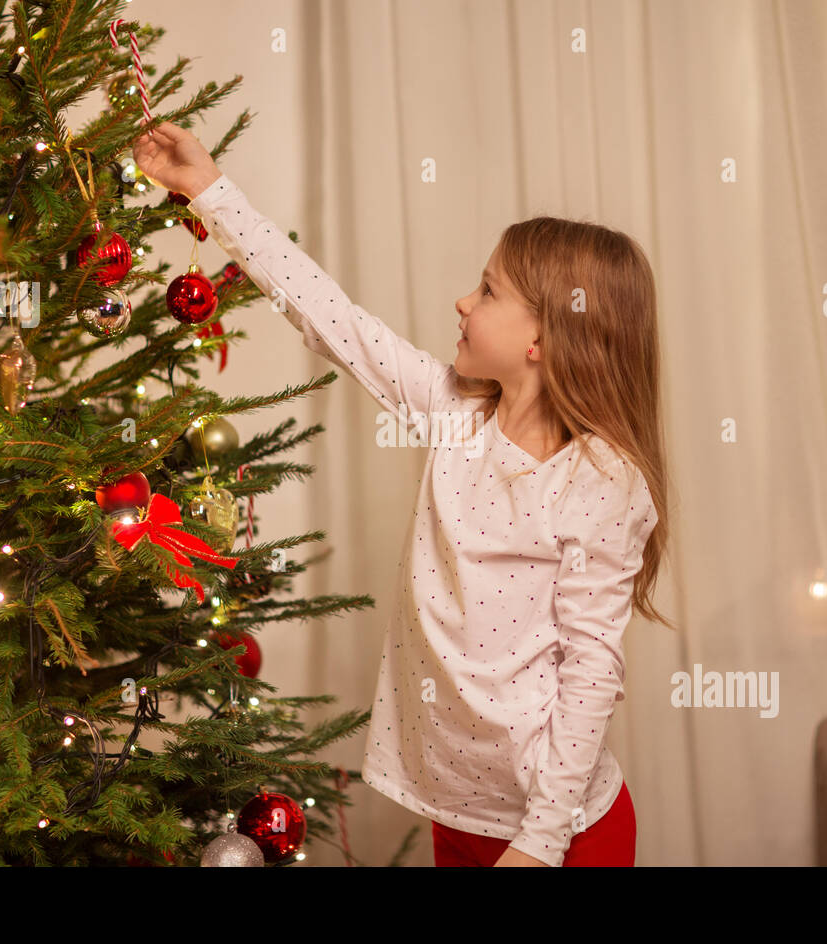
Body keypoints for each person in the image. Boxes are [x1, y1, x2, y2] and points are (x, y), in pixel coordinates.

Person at [134, 122, 672, 866]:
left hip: (560, 836)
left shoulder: (603, 483)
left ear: (542, 340)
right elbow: (331, 317)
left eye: (488, 290)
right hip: (456, 811)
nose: (462, 300)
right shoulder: (453, 412)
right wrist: (208, 190)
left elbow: (590, 673)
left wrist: (541, 843)